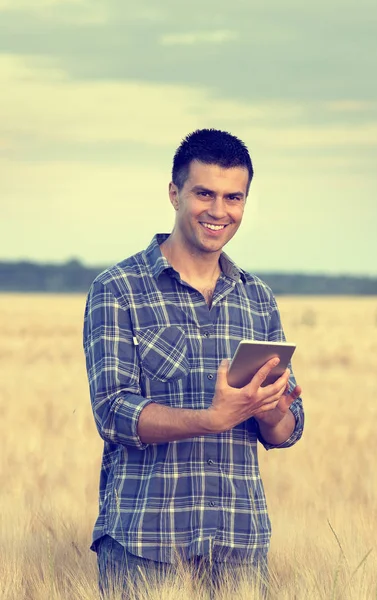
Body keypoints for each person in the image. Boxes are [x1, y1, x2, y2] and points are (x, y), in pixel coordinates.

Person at [82, 129, 305, 597]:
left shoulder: (257, 298)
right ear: (174, 193)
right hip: (146, 548)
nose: (218, 211)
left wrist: (271, 410)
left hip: (240, 550)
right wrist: (211, 419)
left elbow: (287, 432)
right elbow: (113, 412)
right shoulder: (118, 289)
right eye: (204, 193)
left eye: (233, 197)